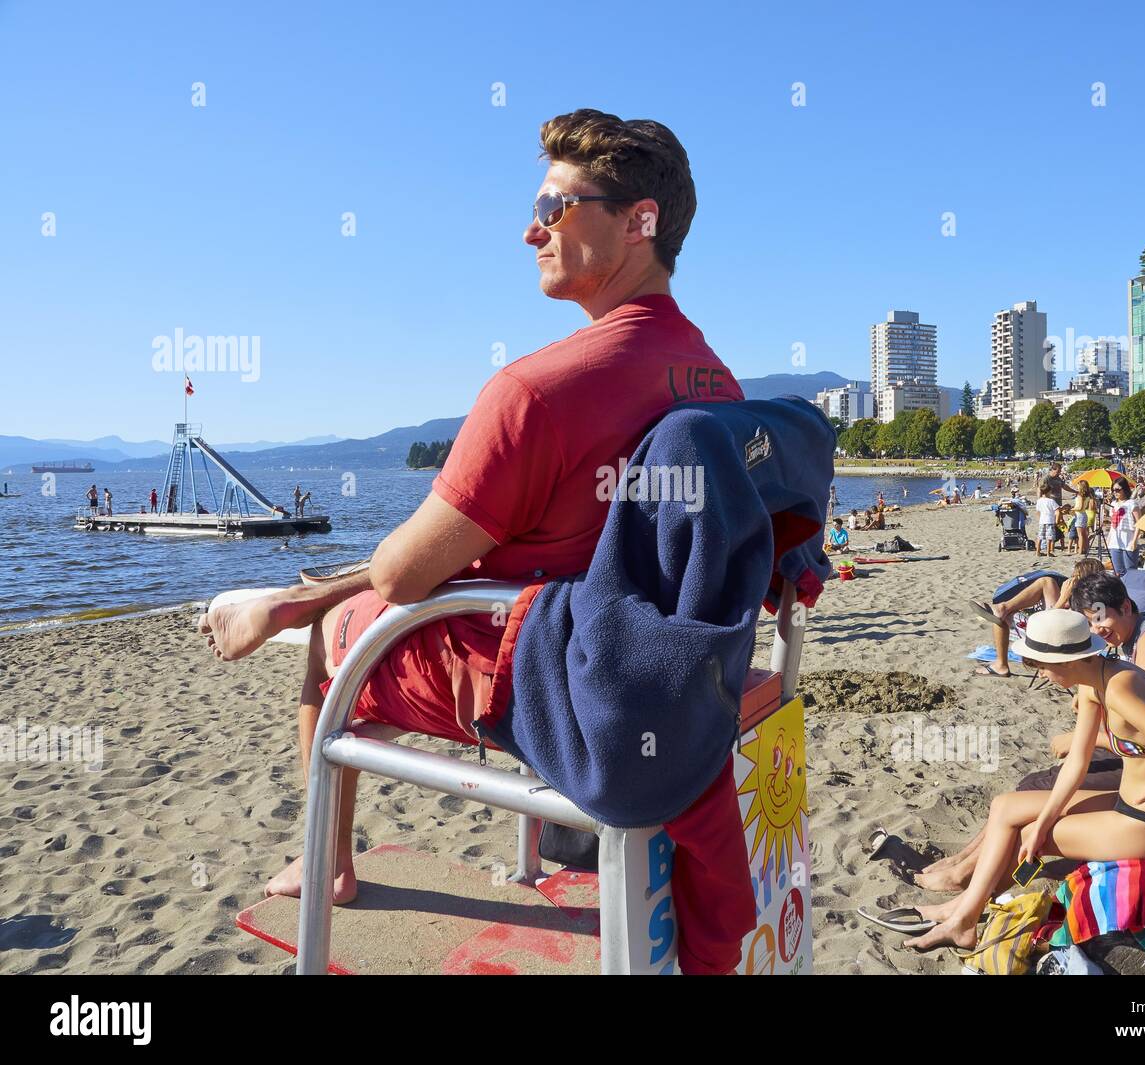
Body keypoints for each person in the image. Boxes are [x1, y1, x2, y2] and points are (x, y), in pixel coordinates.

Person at [198, 109, 755, 974]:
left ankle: (330, 863)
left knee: (331, 638)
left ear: (640, 221)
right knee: (343, 601)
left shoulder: (536, 391)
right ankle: (289, 607)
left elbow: (403, 572)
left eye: (557, 204)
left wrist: (304, 602)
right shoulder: (720, 383)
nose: (530, 227)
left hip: (532, 666)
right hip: (665, 666)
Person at [894, 610, 1145, 952]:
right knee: (1006, 807)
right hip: (1124, 803)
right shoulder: (1095, 684)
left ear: (1067, 660)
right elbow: (1077, 762)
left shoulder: (1123, 689)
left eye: (1040, 666)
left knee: (1031, 839)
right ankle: (964, 909)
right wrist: (1047, 818)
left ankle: (963, 918)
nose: (1041, 674)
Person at [967, 558, 1104, 679]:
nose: (1070, 581)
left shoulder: (1092, 604)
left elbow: (1052, 624)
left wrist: (1062, 600)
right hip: (1059, 636)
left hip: (1058, 644)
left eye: (1074, 577)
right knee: (1047, 582)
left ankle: (1001, 665)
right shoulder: (1097, 601)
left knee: (1003, 618)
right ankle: (1003, 608)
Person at [1105, 479, 1142, 575]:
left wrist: (1134, 541)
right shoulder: (1113, 504)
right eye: (1113, 490)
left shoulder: (1132, 504)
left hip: (1128, 540)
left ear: (1124, 489)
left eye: (1117, 490)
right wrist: (1109, 538)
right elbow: (1113, 525)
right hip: (1115, 541)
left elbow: (1139, 523)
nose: (1115, 492)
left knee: (1130, 571)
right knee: (1118, 571)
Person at [1035, 484, 1059, 558]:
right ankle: (1048, 553)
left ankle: (1037, 552)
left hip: (1042, 521)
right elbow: (1057, 511)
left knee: (1040, 537)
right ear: (1049, 491)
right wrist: (1057, 520)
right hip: (1050, 521)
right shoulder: (1051, 501)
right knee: (1049, 537)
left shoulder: (1039, 501)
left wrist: (1039, 519)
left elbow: (1037, 512)